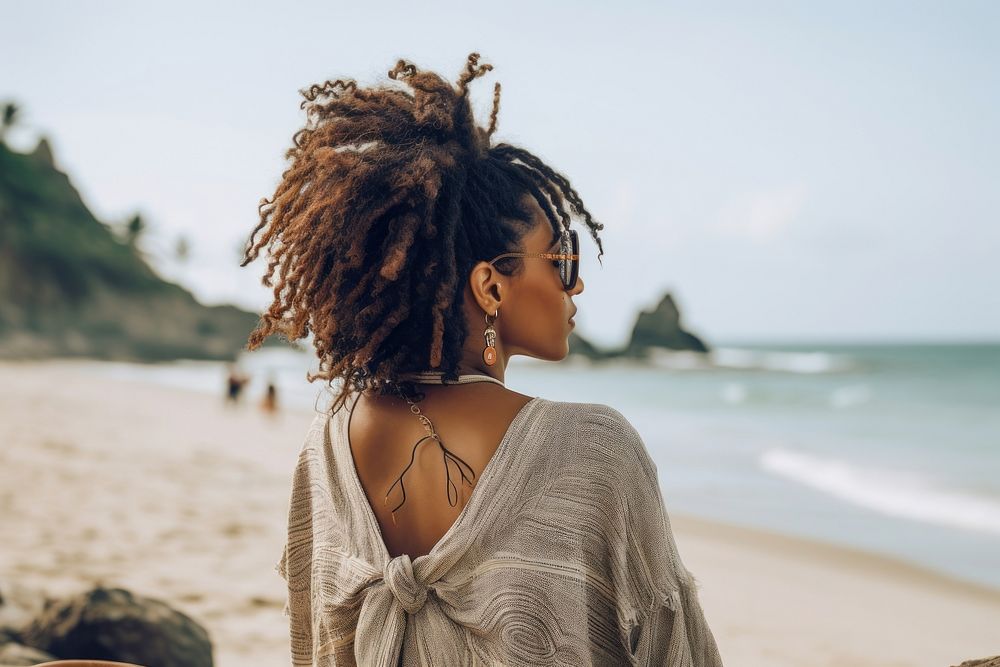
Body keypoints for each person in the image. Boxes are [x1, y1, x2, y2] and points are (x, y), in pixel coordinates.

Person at [242, 53, 723, 666]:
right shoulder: (593, 451)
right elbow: (676, 654)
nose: (575, 286)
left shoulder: (324, 450)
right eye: (563, 260)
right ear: (491, 286)